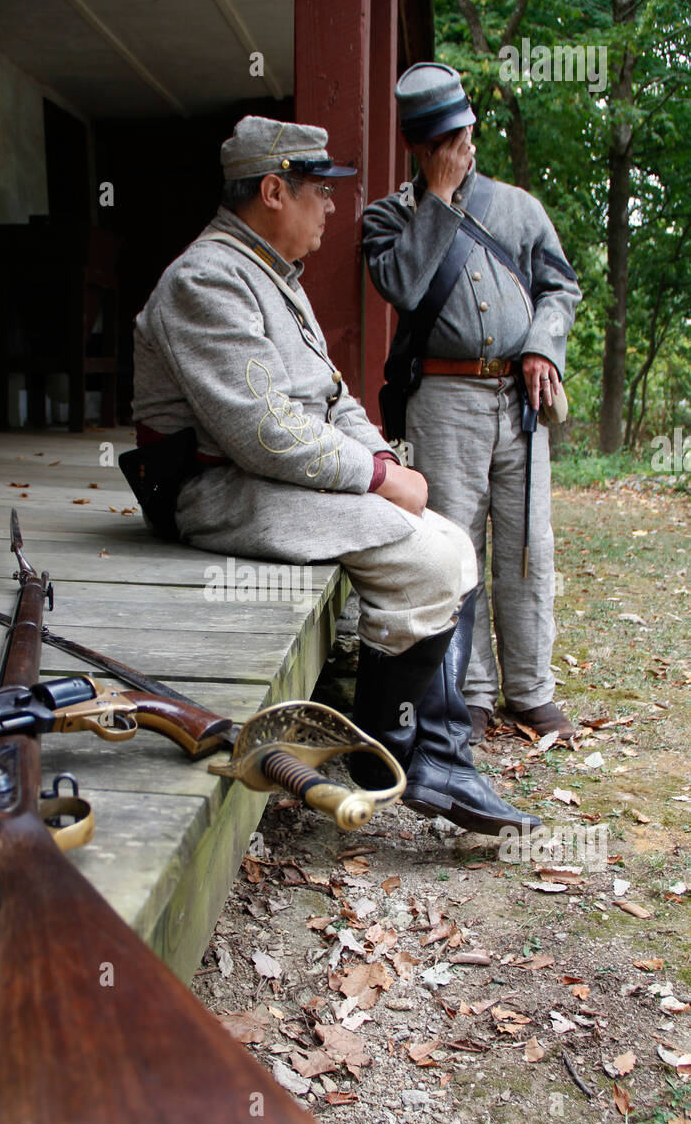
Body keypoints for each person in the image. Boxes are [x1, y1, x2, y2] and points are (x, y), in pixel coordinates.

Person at [130, 114, 539, 835]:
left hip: (267, 477)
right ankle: (402, 755)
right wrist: (382, 478)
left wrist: (383, 462)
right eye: (319, 190)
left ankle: (426, 752)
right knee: (429, 557)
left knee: (445, 540)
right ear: (272, 192)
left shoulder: (270, 274)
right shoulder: (204, 281)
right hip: (213, 489)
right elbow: (264, 432)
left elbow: (333, 397)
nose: (332, 205)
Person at [363, 63, 582, 743]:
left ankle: (531, 689)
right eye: (438, 144)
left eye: (458, 136)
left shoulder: (517, 207)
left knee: (527, 547)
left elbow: (559, 289)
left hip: (520, 394)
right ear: (418, 148)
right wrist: (438, 199)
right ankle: (472, 691)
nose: (454, 151)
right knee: (456, 547)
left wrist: (545, 346)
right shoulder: (388, 218)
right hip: (444, 396)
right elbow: (399, 282)